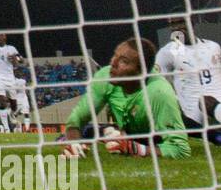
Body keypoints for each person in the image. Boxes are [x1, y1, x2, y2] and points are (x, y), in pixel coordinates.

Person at [61, 38, 191, 160]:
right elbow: (77, 118)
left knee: (197, 128)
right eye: (115, 56)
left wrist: (135, 148)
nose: (113, 63)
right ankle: (106, 131)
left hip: (159, 130)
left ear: (140, 71)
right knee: (105, 133)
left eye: (124, 61)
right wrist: (74, 143)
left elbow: (181, 149)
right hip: (130, 129)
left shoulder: (159, 92)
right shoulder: (105, 76)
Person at [153, 17, 221, 147]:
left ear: (192, 23)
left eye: (180, 22)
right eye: (172, 24)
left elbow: (219, 79)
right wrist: (175, 103)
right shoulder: (167, 52)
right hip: (195, 114)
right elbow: (157, 83)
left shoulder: (213, 46)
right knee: (206, 101)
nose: (176, 27)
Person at [0, 34, 24, 130]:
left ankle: (11, 114)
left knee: (14, 105)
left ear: (5, 37)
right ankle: (6, 127)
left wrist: (16, 59)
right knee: (2, 100)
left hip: (10, 78)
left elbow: (21, 60)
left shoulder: (11, 48)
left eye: (1, 36)